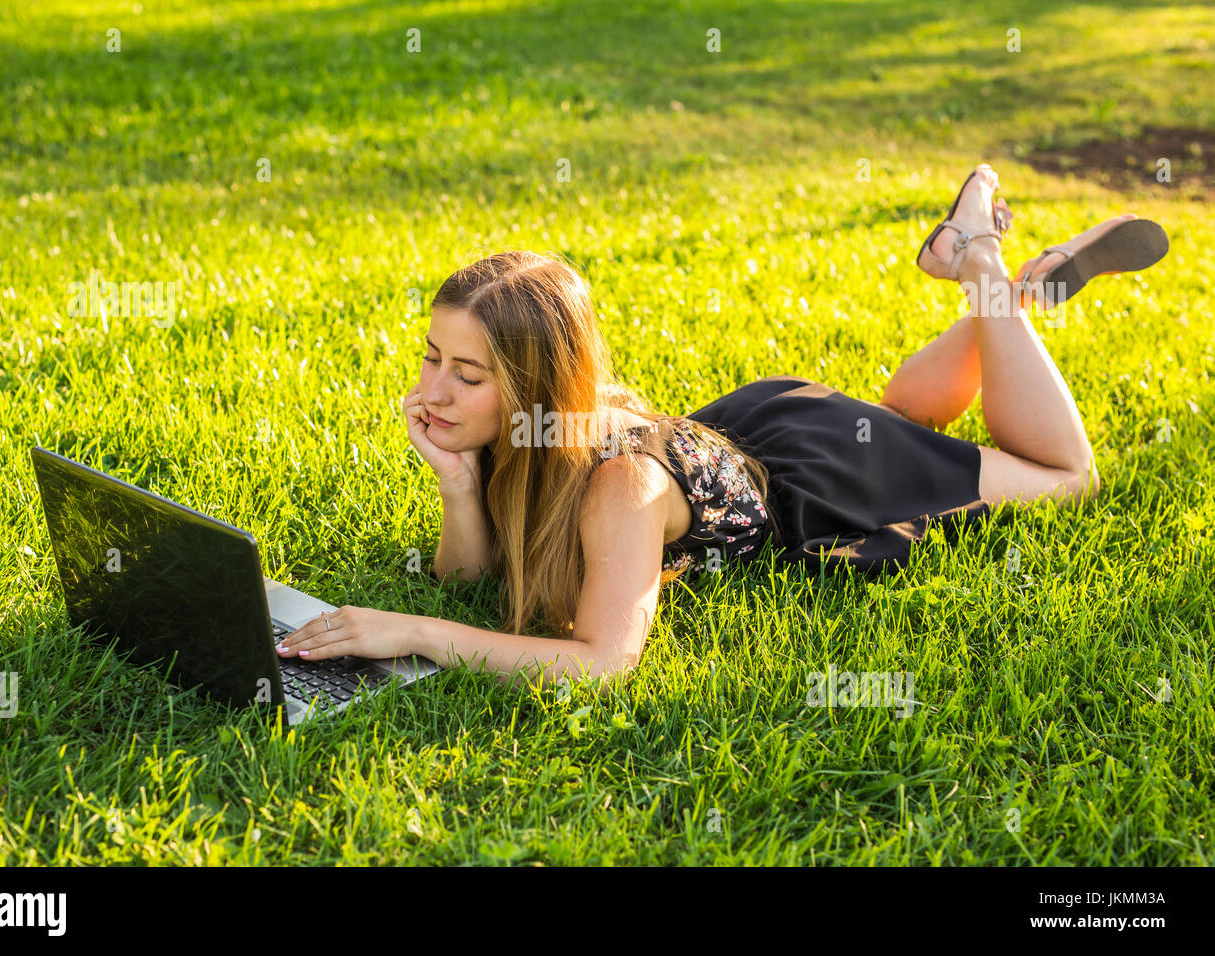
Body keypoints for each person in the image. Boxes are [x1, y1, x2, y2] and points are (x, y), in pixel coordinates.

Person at [275, 164, 1167, 690]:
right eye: (433, 356)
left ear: (542, 388)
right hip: (762, 428)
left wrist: (417, 632)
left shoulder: (620, 487)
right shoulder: (531, 434)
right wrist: (458, 483)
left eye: (466, 374)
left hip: (814, 470)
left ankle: (981, 259)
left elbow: (600, 664)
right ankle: (1001, 299)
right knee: (902, 416)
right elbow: (471, 576)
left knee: (1060, 475)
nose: (433, 386)